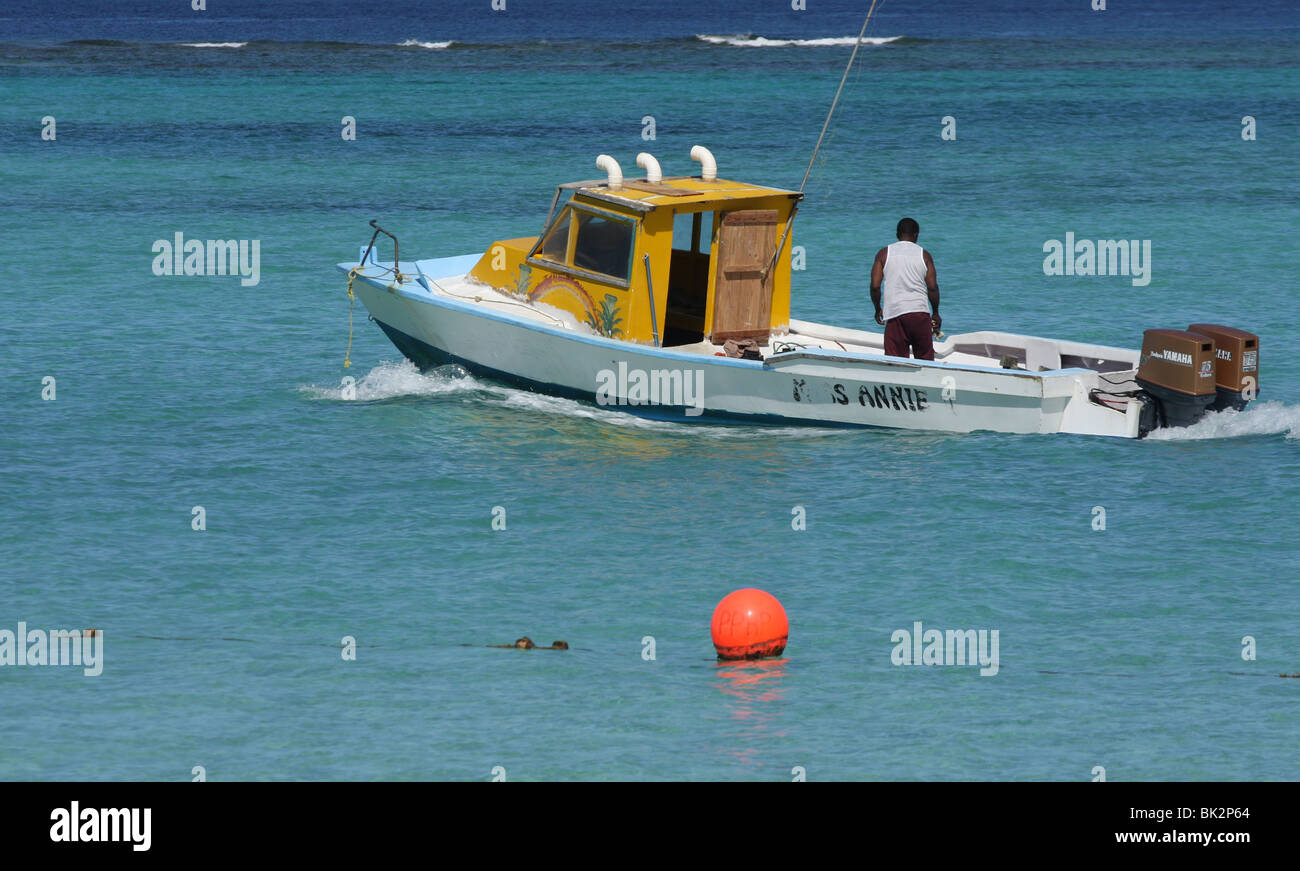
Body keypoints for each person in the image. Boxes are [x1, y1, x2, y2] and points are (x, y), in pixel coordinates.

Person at [869, 218, 941, 360]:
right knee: (925, 361)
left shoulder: (884, 254)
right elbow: (932, 288)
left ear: (897, 234)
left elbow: (875, 286)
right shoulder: (924, 255)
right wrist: (936, 313)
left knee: (895, 362)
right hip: (920, 313)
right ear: (916, 235)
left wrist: (877, 308)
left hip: (896, 314)